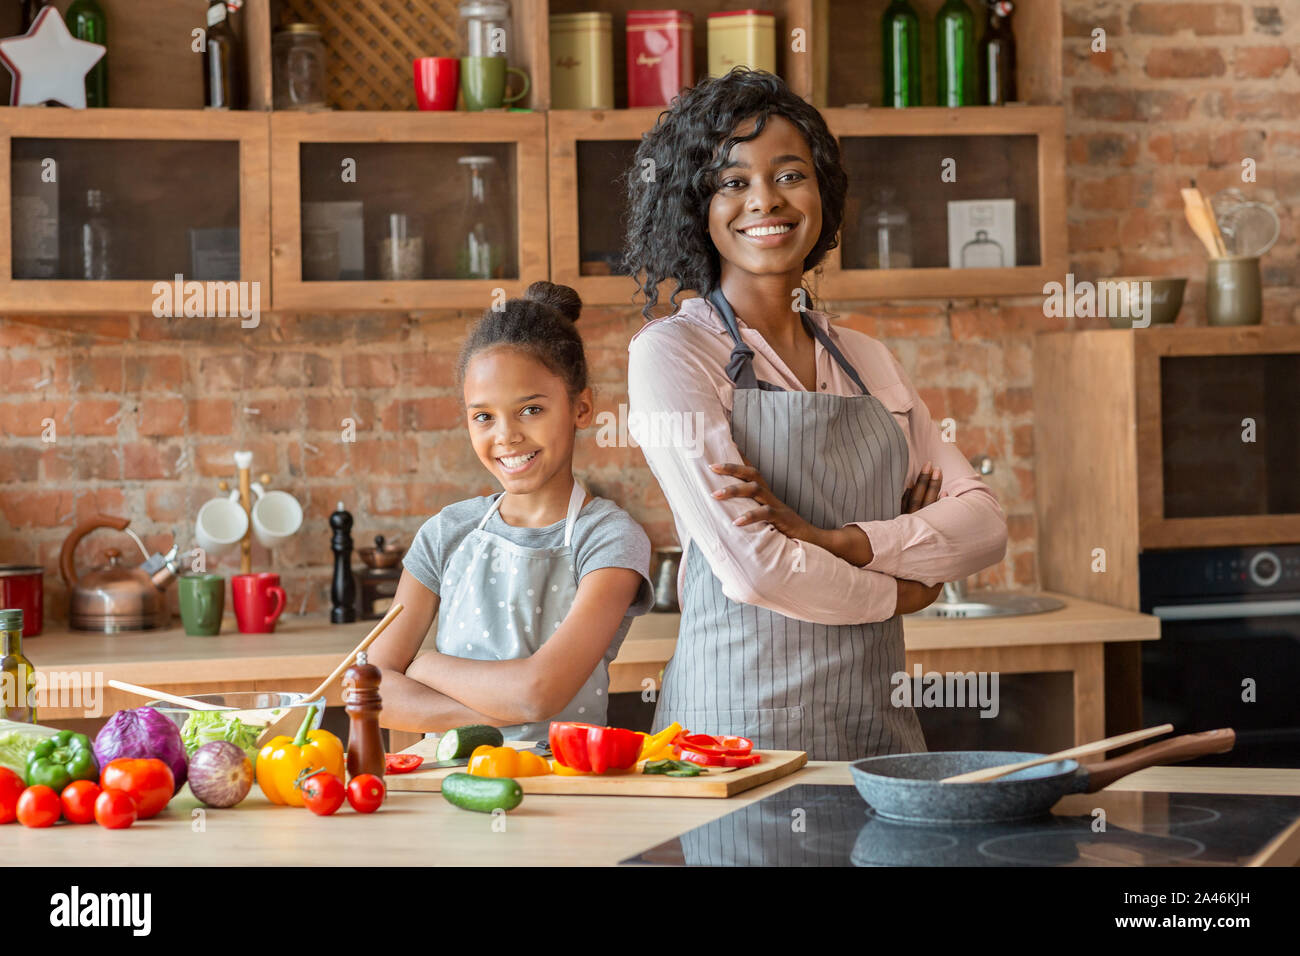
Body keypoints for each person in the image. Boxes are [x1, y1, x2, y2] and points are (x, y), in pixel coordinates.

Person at [622, 69, 1009, 760]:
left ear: (821, 194)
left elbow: (983, 525)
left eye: (789, 174)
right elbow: (755, 569)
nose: (765, 199)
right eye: (732, 182)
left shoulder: (866, 358)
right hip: (733, 740)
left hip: (876, 732)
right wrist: (903, 591)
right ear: (696, 207)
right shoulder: (674, 354)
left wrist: (842, 542)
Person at [369, 281, 656, 739]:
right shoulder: (446, 532)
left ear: (581, 408)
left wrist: (426, 665)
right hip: (448, 786)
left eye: (530, 409)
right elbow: (369, 692)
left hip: (561, 788)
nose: (505, 436)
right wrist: (504, 712)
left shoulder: (609, 538)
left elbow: (538, 693)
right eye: (483, 416)